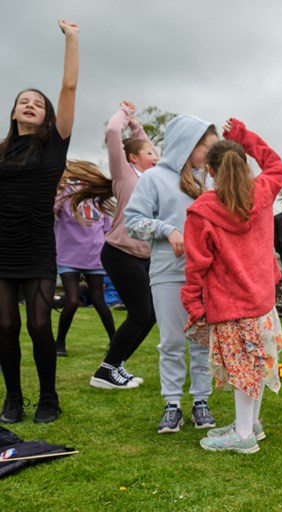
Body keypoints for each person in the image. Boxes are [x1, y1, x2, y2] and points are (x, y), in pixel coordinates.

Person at [181, 119, 282, 454]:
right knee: (255, 365)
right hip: (262, 301)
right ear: (243, 164)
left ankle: (243, 437)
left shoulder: (202, 211)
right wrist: (243, 136)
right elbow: (276, 164)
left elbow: (197, 265)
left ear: (210, 171)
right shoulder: (264, 191)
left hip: (230, 305)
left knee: (243, 370)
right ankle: (250, 425)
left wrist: (194, 305)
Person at [0, 20, 79, 424]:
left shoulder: (54, 147)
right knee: (5, 325)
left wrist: (71, 39)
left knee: (37, 323)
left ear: (47, 116)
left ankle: (48, 398)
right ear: (13, 111)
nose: (30, 104)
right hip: (2, 248)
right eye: (23, 101)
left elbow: (68, 89)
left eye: (38, 103)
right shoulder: (0, 152)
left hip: (36, 247)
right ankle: (12, 398)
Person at [126, 115, 219, 433]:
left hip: (205, 274)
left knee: (202, 341)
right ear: (187, 144)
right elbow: (132, 222)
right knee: (171, 341)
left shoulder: (208, 182)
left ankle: (201, 401)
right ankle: (172, 405)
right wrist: (167, 230)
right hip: (168, 272)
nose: (210, 152)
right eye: (206, 146)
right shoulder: (153, 179)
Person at [89, 101, 158, 389]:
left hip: (144, 257)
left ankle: (116, 365)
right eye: (150, 152)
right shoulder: (124, 174)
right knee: (140, 312)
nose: (156, 155)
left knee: (151, 314)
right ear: (132, 157)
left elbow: (146, 146)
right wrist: (125, 115)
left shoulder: (154, 179)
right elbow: (111, 132)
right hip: (120, 253)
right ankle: (106, 370)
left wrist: (138, 128)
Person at [53, 161, 116, 356]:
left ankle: (115, 342)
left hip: (94, 257)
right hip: (68, 257)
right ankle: (60, 344)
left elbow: (106, 230)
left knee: (99, 300)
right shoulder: (62, 196)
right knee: (71, 301)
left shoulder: (97, 200)